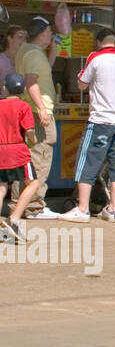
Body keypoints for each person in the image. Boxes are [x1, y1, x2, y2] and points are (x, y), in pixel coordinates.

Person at [59, 29, 115, 223]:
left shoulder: (95, 58)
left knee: (87, 162)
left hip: (100, 121)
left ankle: (82, 209)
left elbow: (81, 84)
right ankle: (112, 209)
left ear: (99, 42)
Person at [16, 16, 58, 219]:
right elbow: (31, 82)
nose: (51, 35)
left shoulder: (30, 51)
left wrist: (53, 51)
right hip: (38, 112)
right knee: (40, 156)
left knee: (30, 157)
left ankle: (24, 203)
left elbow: (43, 71)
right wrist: (41, 108)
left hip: (32, 110)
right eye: (49, 32)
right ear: (42, 33)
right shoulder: (33, 53)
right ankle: (35, 205)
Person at [0, 72, 39, 243]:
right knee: (33, 183)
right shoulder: (24, 107)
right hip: (18, 150)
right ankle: (14, 219)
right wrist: (35, 140)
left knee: (1, 187)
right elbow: (29, 131)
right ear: (22, 89)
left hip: (1, 150)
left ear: (4, 88)